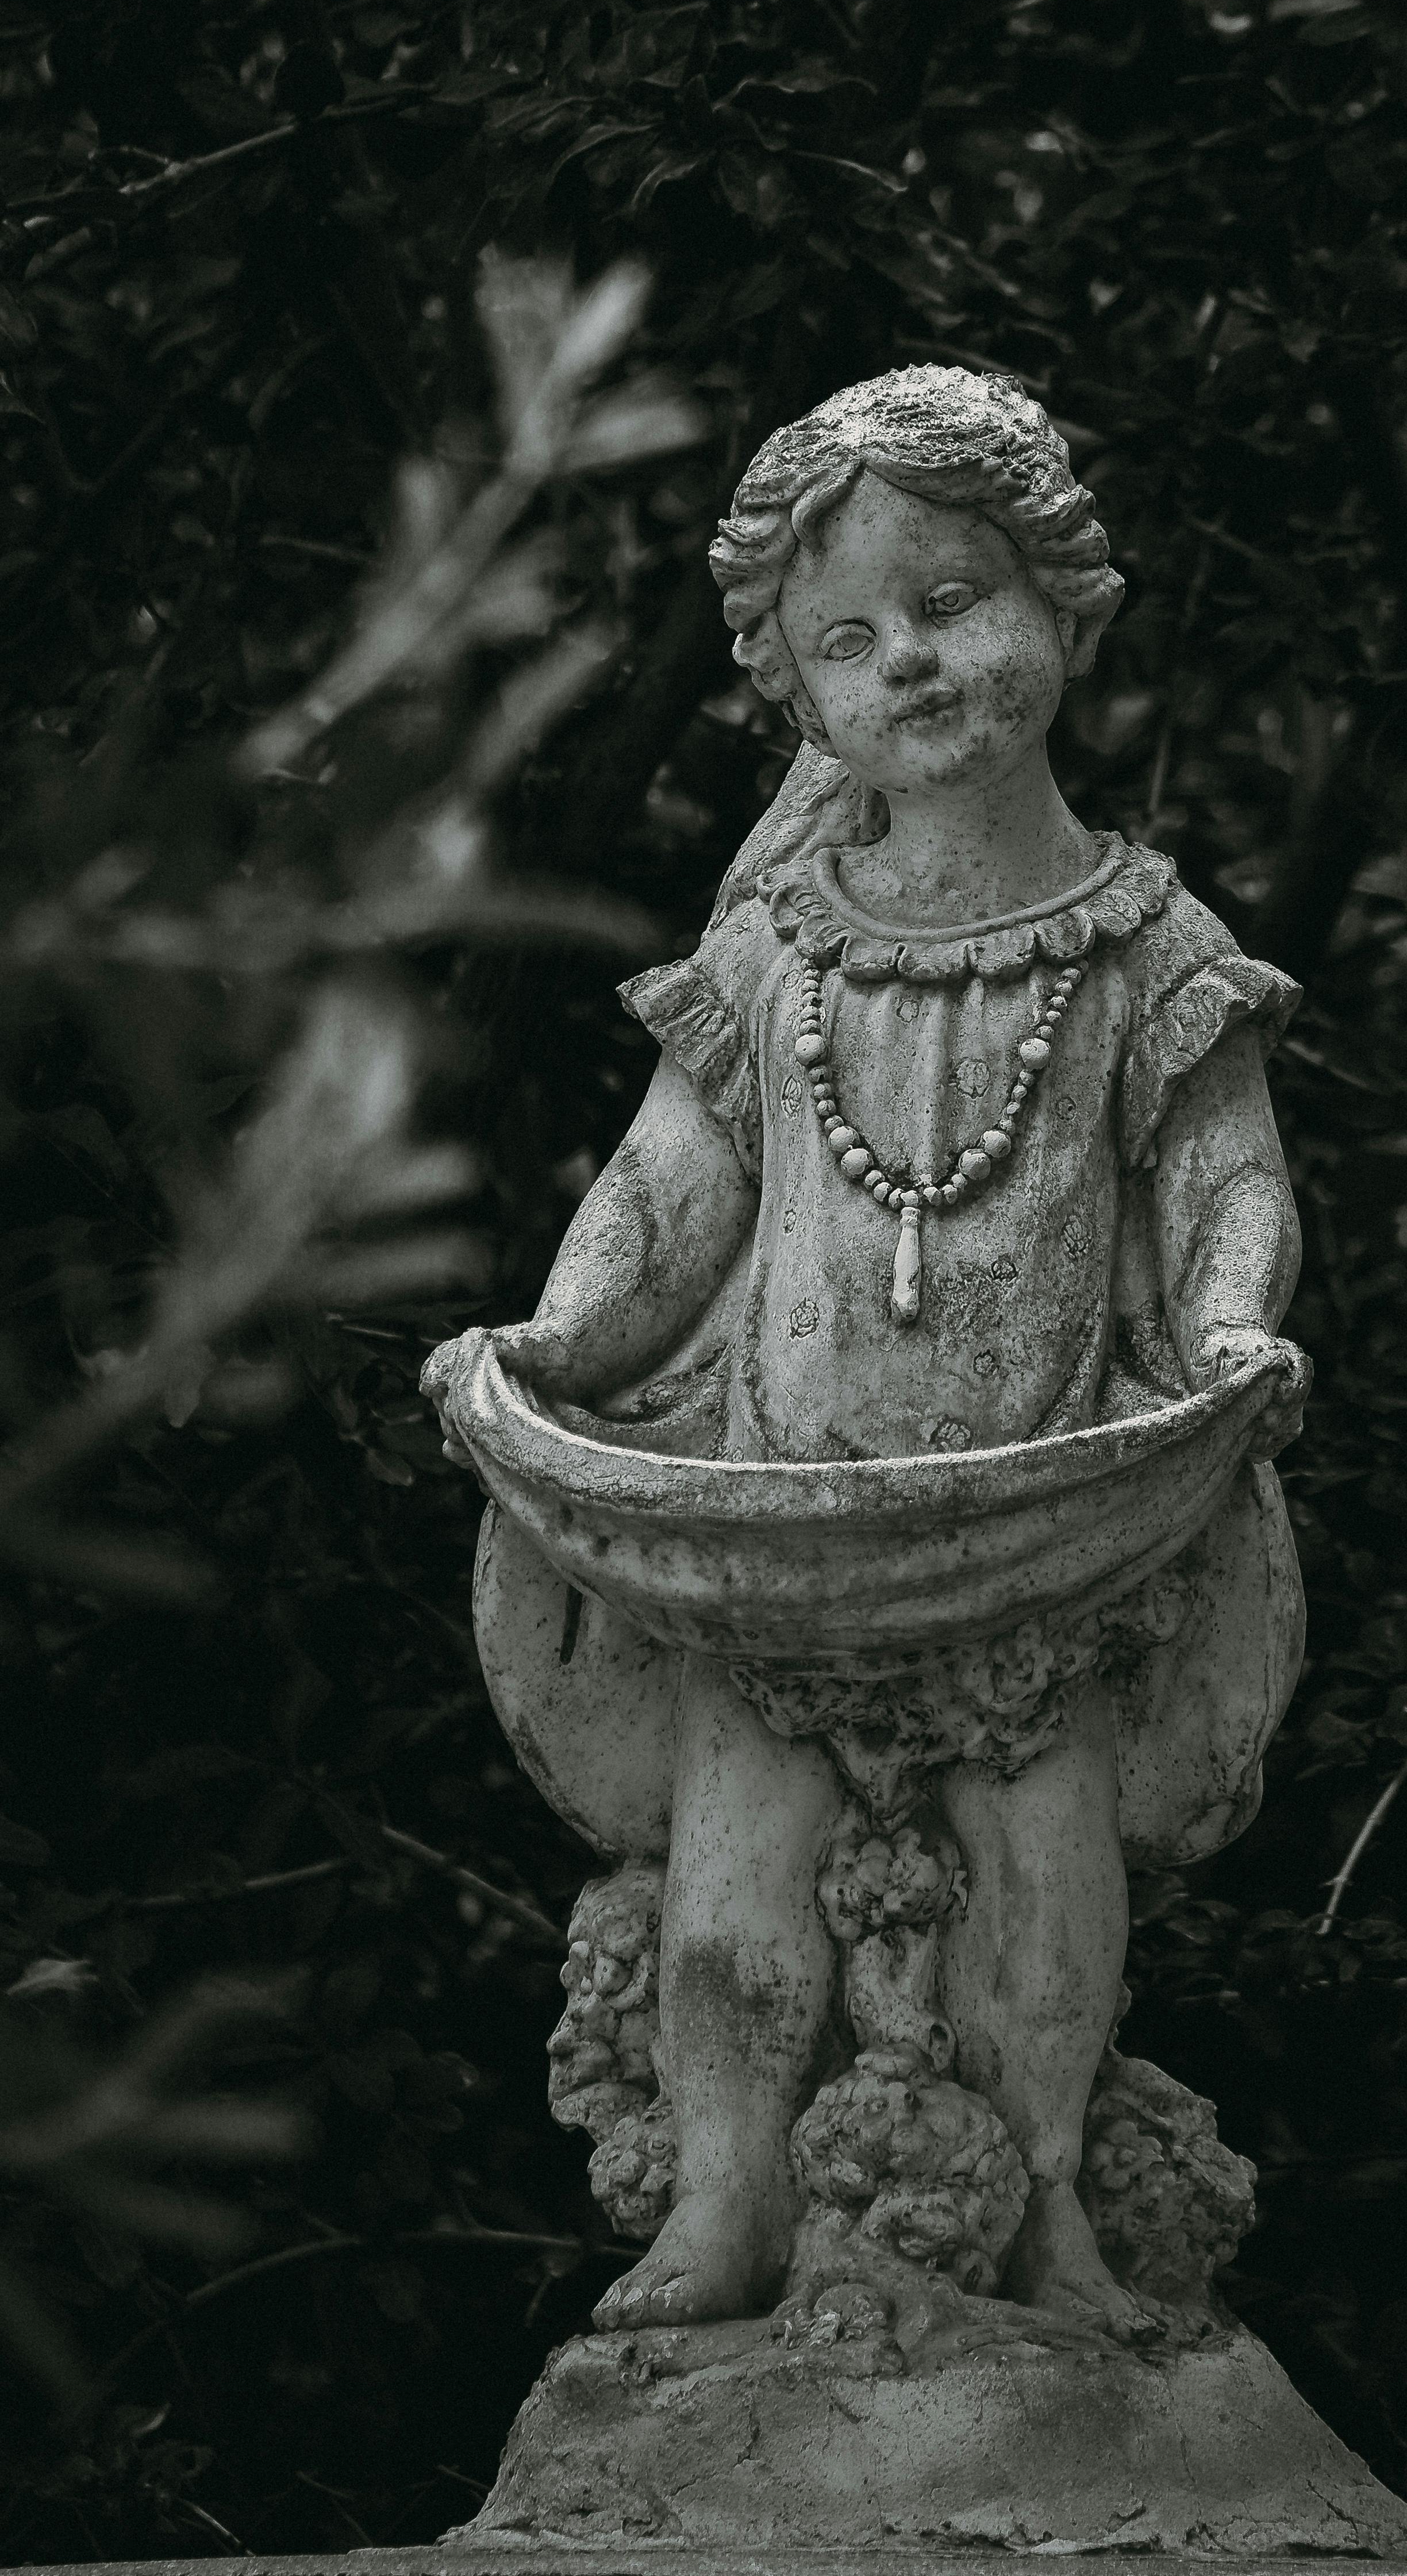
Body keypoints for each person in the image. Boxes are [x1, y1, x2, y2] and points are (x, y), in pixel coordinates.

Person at [424, 364, 1309, 2343]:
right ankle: (727, 2206)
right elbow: (666, 1191)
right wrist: (561, 1341)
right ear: (791, 688)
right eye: (848, 637)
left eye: (952, 604)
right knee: (735, 1923)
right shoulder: (776, 950)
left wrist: (1239, 1315)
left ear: (1066, 610)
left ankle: (1053, 2208)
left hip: (1039, 1538)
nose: (906, 662)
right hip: (778, 1540)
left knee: (1041, 1919)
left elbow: (1223, 1172)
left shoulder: (1142, 939)